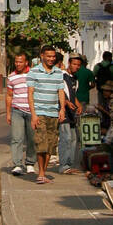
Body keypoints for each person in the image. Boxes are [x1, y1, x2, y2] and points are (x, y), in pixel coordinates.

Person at [27, 45, 66, 184]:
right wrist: (33, 114)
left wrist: (62, 109)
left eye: (53, 56)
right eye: (48, 56)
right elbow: (30, 94)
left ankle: (43, 172)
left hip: (53, 113)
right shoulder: (33, 72)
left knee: (51, 144)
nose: (51, 59)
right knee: (41, 143)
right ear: (42, 56)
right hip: (40, 112)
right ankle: (41, 173)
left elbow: (60, 91)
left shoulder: (58, 72)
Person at [6, 52, 37, 175]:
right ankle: (17, 164)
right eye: (16, 62)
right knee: (16, 138)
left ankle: (30, 163)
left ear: (26, 63)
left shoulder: (33, 75)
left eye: (20, 62)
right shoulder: (11, 77)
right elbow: (9, 96)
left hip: (31, 111)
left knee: (32, 138)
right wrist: (8, 113)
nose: (17, 64)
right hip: (17, 111)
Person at [58, 56, 82, 174]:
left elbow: (73, 94)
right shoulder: (62, 76)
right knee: (65, 139)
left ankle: (70, 164)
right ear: (69, 63)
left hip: (72, 114)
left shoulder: (74, 79)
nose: (76, 67)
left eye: (78, 65)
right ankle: (63, 165)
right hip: (63, 112)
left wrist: (78, 105)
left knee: (73, 139)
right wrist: (66, 103)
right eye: (74, 64)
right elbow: (60, 92)